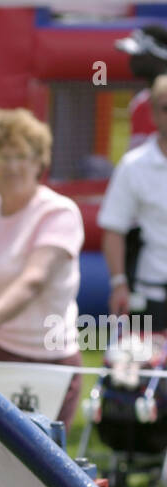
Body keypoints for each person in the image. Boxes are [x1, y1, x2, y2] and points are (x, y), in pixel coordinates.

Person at [0, 108, 85, 428]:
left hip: (47, 360)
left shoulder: (59, 212)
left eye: (22, 155)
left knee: (37, 470)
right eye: (3, 156)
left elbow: (34, 280)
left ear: (39, 161)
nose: (13, 166)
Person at [100, 74, 167, 330]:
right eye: (166, 108)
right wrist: (119, 284)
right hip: (150, 293)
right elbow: (113, 228)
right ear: (153, 114)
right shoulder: (134, 165)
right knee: (139, 368)